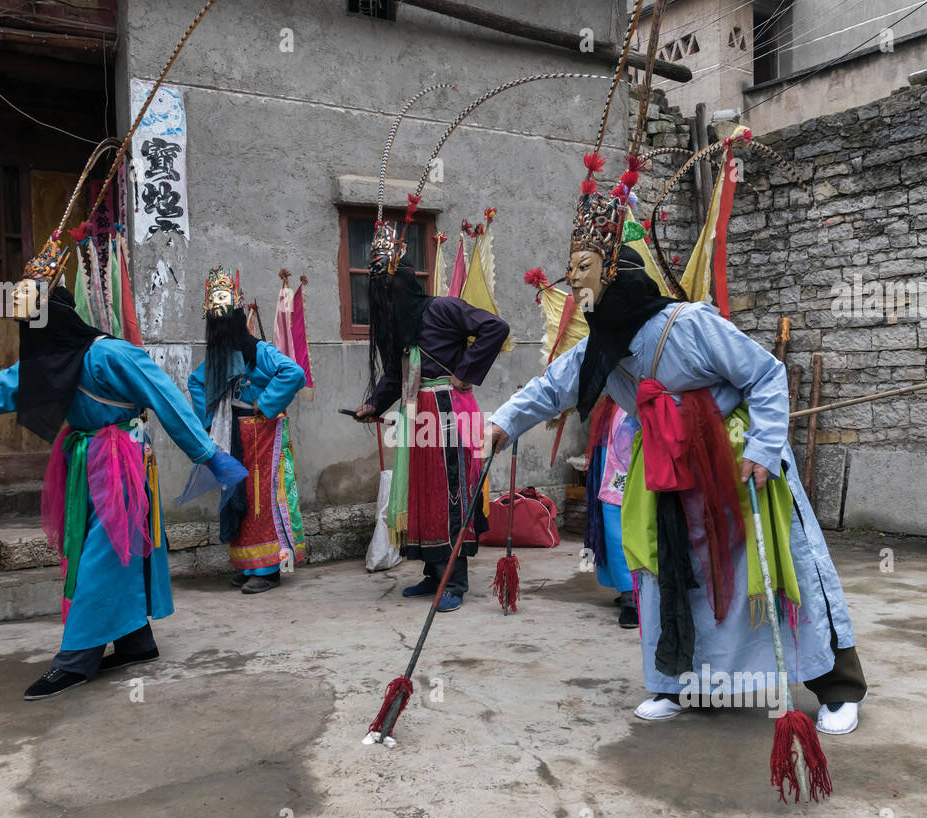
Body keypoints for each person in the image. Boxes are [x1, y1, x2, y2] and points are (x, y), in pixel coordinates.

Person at [485, 212, 866, 735]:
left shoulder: (690, 324)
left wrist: (763, 446)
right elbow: (550, 389)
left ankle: (838, 686)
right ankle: (681, 682)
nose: (571, 279)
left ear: (614, 272)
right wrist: (502, 424)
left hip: (740, 465)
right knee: (675, 578)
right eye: (569, 268)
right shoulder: (597, 348)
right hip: (669, 475)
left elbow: (766, 374)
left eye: (583, 266)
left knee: (779, 565)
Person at [0, 236, 245, 700]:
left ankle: (77, 657)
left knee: (102, 558)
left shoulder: (111, 355)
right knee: (97, 551)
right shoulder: (45, 363)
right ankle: (134, 641)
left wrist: (208, 455)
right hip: (82, 461)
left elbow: (166, 400)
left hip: (120, 462)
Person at [352, 224, 509, 612]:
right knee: (420, 493)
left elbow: (495, 327)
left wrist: (465, 372)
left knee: (451, 495)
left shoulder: (442, 308)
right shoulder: (400, 331)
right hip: (416, 414)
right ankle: (432, 572)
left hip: (449, 411)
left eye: (384, 295)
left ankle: (455, 581)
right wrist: (373, 405)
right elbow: (394, 375)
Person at [186, 266, 306, 594]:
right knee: (235, 496)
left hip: (261, 431)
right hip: (232, 432)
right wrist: (210, 419)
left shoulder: (259, 351)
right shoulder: (219, 357)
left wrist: (263, 403)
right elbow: (195, 382)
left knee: (259, 499)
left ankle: (268, 569)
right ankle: (246, 563)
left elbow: (294, 374)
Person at [582, 397, 640, 628]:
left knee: (643, 524)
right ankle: (628, 592)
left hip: (644, 426)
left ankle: (639, 593)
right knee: (613, 528)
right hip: (614, 436)